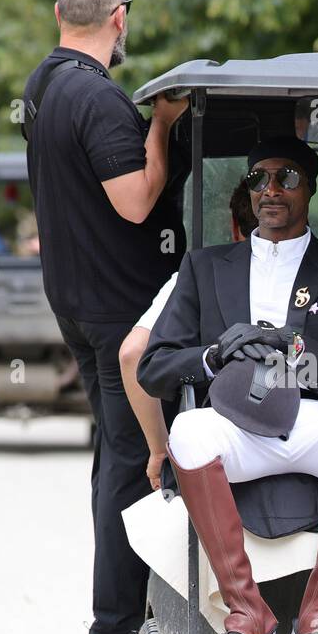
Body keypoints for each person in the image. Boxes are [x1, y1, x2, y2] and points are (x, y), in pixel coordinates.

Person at [138, 136, 318, 634]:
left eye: (287, 178)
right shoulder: (205, 267)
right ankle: (248, 619)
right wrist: (214, 355)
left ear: (311, 187)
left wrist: (294, 359)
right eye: (258, 179)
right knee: (188, 430)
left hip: (315, 420)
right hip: (239, 427)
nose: (271, 190)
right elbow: (153, 367)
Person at [22, 0, 189, 634]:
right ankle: (117, 623)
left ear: (61, 13)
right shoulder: (99, 100)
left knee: (113, 453)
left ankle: (127, 605)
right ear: (119, 17)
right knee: (134, 460)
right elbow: (135, 201)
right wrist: (163, 125)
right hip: (121, 310)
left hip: (74, 301)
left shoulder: (41, 85)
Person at [118, 179, 255, 491]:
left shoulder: (196, 275)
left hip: (217, 437)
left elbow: (132, 353)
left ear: (234, 226)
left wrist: (159, 448)